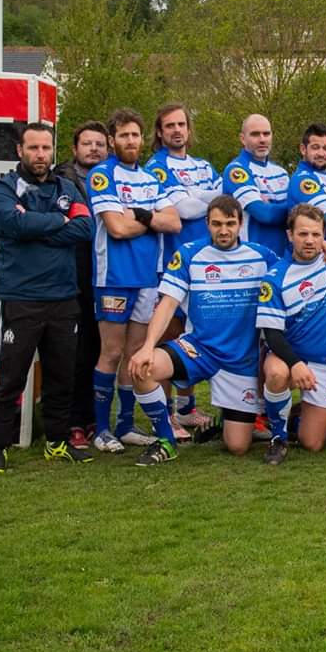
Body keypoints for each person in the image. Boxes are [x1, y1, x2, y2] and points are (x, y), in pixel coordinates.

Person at [125, 196, 279, 464]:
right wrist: (148, 347)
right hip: (198, 349)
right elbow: (168, 303)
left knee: (238, 447)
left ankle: (224, 419)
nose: (224, 230)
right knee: (144, 368)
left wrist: (324, 245)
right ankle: (166, 440)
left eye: (230, 223)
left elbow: (293, 270)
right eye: (217, 224)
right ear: (207, 223)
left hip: (240, 361)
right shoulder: (189, 254)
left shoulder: (262, 257)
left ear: (240, 224)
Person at [0, 123, 95, 473]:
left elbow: (85, 228)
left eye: (46, 148)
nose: (40, 154)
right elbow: (11, 224)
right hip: (20, 297)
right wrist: (58, 221)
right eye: (33, 148)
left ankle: (57, 442)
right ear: (20, 150)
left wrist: (35, 225)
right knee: (9, 378)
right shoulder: (3, 188)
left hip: (64, 297)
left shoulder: (66, 187)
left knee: (62, 376)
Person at [86, 108, 181, 454]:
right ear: (112, 140)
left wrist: (139, 215)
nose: (130, 141)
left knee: (135, 354)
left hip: (147, 278)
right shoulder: (102, 174)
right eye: (124, 135)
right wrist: (152, 220)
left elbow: (174, 223)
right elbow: (117, 228)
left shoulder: (152, 177)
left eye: (135, 135)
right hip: (114, 276)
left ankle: (125, 424)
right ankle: (101, 429)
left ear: (143, 138)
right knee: (111, 352)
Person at [144, 102, 223, 439]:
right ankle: (166, 416)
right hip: (171, 263)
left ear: (189, 129)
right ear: (159, 132)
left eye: (181, 124)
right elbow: (184, 210)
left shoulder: (204, 165)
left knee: (192, 338)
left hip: (206, 265)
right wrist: (200, 198)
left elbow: (222, 200)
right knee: (169, 338)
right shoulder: (155, 166)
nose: (177, 130)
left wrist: (195, 196)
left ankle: (187, 409)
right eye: (170, 126)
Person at [254, 204, 326, 461]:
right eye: (303, 234)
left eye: (315, 234)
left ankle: (294, 413)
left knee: (313, 443)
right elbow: (272, 334)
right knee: (276, 373)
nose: (309, 240)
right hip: (287, 358)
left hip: (323, 361)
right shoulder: (275, 278)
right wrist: (296, 364)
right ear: (290, 235)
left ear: (324, 237)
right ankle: (278, 437)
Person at [54, 120, 108, 449]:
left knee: (101, 349)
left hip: (108, 276)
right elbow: (67, 226)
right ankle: (72, 420)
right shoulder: (61, 180)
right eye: (87, 143)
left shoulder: (117, 177)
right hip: (72, 275)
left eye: (100, 144)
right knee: (75, 351)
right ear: (75, 149)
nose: (94, 149)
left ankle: (93, 418)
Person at [222, 113, 290, 255]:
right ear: (243, 139)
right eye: (255, 134)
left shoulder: (281, 172)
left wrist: (271, 204)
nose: (262, 139)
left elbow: (296, 214)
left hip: (283, 255)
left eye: (266, 134)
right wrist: (292, 206)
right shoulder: (236, 170)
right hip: (253, 256)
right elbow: (264, 214)